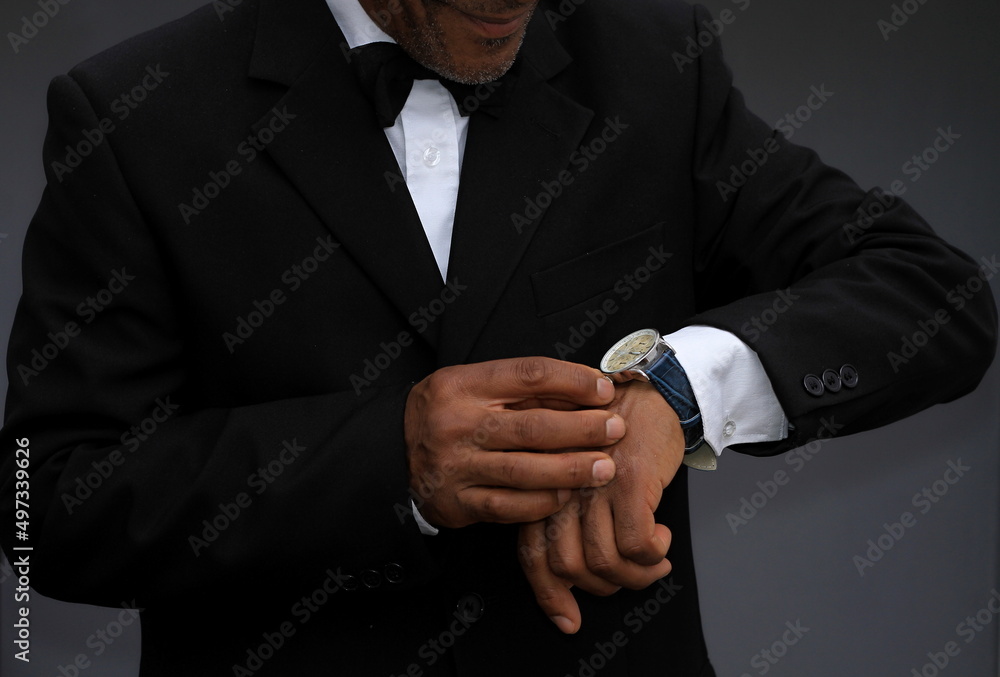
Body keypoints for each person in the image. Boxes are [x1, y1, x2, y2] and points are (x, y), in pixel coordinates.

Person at [0, 0, 995, 675]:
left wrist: (674, 394)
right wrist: (389, 463)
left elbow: (932, 295)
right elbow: (44, 501)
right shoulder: (136, 112)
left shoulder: (657, 66)